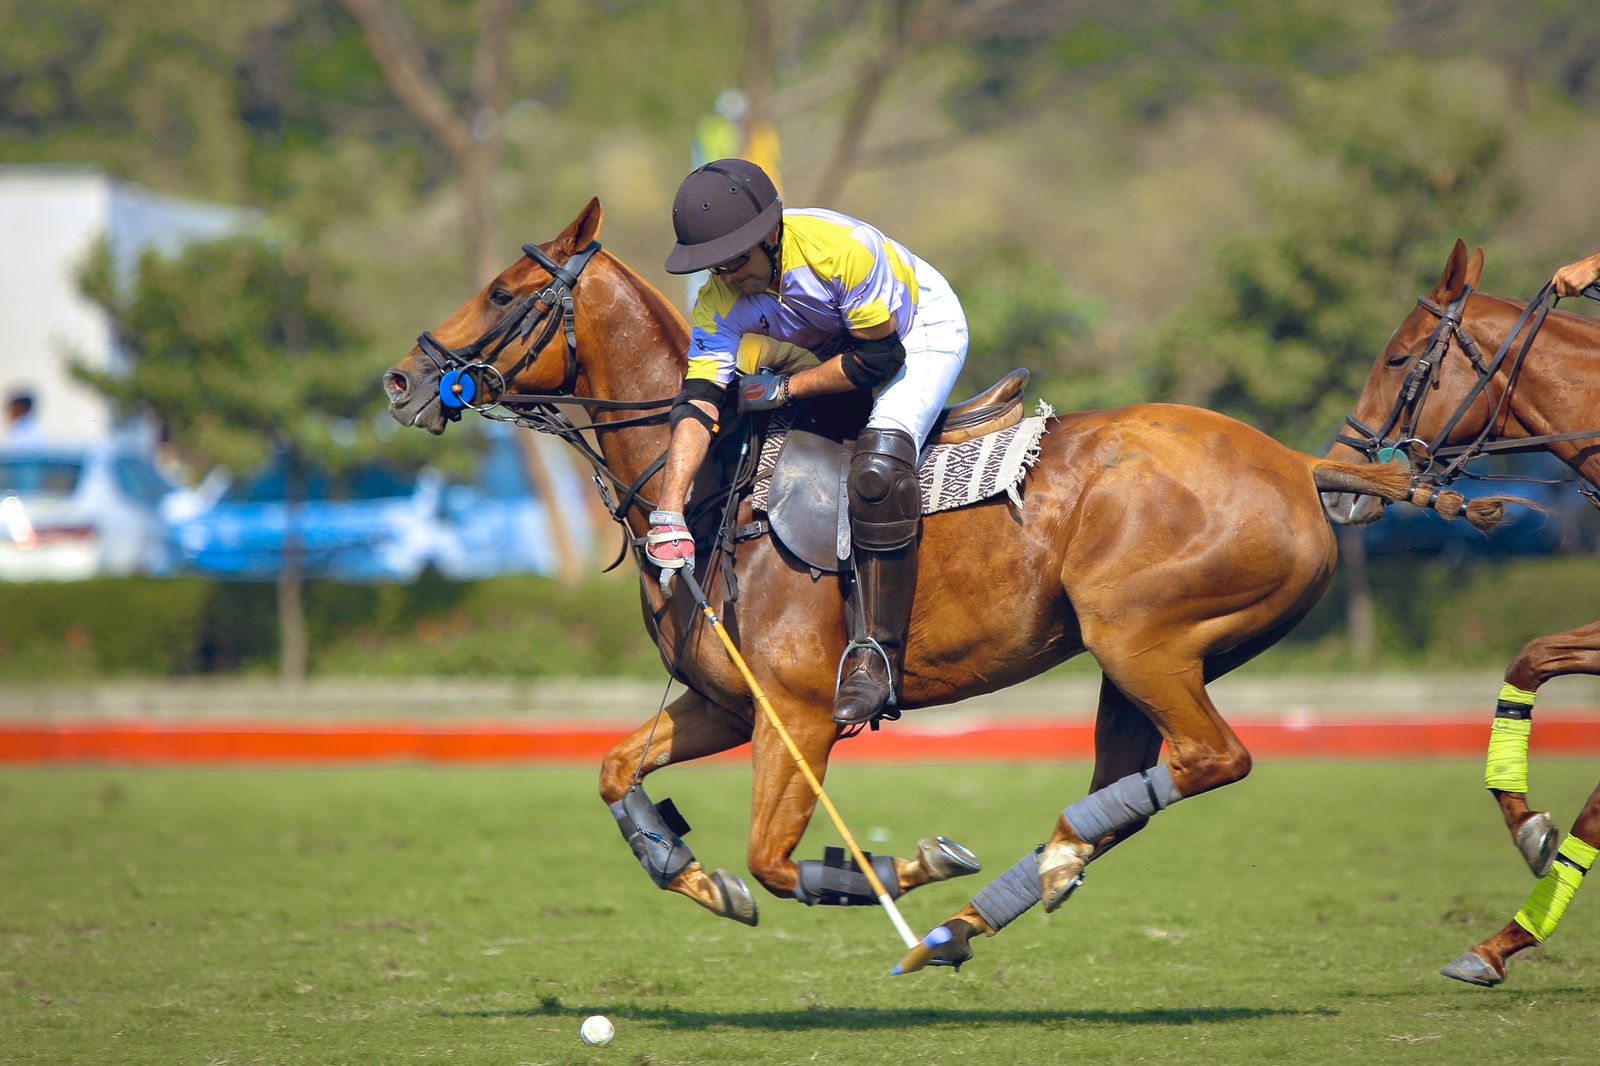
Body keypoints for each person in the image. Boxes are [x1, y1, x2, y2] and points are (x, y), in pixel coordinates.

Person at [647, 159, 969, 727]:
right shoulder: (717, 299)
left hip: (915, 333)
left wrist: (784, 388)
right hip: (833, 348)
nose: (728, 275)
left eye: (737, 259)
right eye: (714, 265)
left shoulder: (839, 249)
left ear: (771, 235)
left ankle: (877, 659)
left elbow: (879, 360)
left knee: (877, 466)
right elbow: (697, 399)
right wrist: (669, 510)